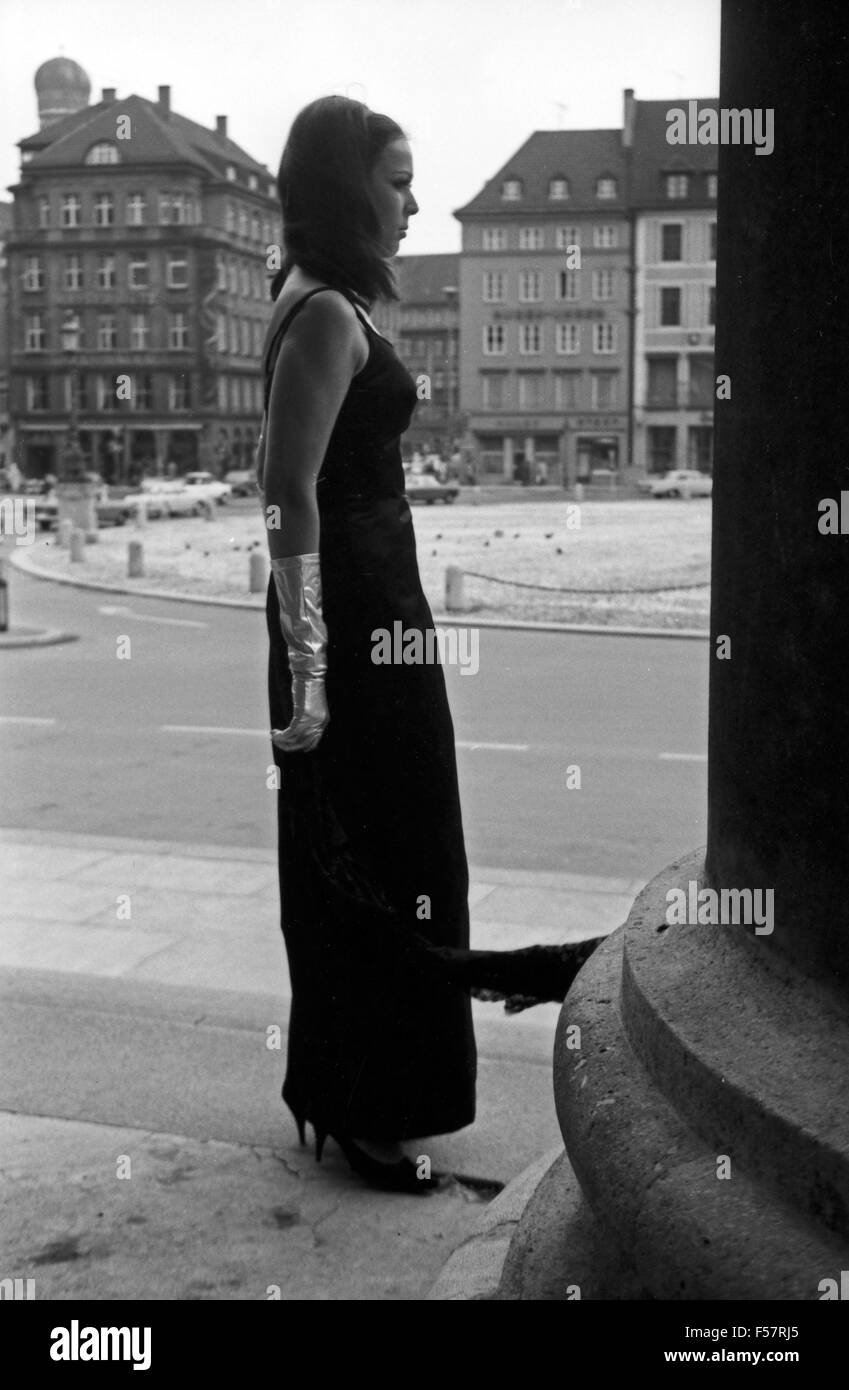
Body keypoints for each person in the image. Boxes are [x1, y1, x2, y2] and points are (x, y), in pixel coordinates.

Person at [254, 96, 476, 1194]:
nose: (415, 201)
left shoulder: (312, 296)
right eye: (397, 180)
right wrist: (308, 665)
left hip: (368, 609)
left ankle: (356, 1088)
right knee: (395, 858)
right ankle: (370, 1108)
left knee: (369, 853)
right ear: (350, 187)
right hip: (350, 622)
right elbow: (283, 491)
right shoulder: (330, 312)